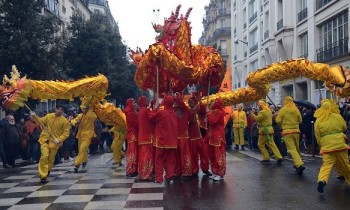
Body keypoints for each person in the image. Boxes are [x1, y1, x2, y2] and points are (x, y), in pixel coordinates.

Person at [314, 100, 350, 193]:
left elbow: (317, 135)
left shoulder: (319, 120)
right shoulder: (338, 117)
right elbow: (344, 127)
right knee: (346, 165)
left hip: (327, 147)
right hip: (340, 145)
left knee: (326, 165)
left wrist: (321, 145)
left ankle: (322, 180)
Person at [31, 105, 70, 183]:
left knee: (51, 159)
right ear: (55, 109)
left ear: (63, 111)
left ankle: (48, 170)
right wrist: (34, 116)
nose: (59, 111)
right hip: (44, 140)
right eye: (58, 109)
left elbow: (66, 133)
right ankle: (43, 175)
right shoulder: (49, 116)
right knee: (44, 156)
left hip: (55, 143)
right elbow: (40, 121)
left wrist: (59, 140)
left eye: (61, 110)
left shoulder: (65, 121)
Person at [150, 95, 178, 183]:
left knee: (159, 159)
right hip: (172, 141)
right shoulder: (174, 114)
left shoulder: (161, 113)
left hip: (161, 140)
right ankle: (169, 176)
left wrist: (155, 108)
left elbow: (151, 117)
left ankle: (159, 178)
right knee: (170, 159)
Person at [276, 96, 304, 175]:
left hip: (287, 132)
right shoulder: (296, 109)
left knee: (292, 149)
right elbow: (300, 120)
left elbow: (278, 120)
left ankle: (299, 164)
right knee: (297, 148)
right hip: (296, 131)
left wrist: (281, 125)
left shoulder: (283, 110)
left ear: (286, 101)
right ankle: (298, 163)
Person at [250, 100, 283, 165]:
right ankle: (279, 157)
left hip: (264, 130)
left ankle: (266, 157)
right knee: (271, 143)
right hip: (270, 129)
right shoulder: (269, 111)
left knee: (260, 144)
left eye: (259, 106)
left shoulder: (262, 112)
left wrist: (252, 114)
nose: (258, 107)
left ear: (261, 106)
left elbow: (257, 119)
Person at [188, 94, 212, 177]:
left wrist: (199, 102)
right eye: (190, 102)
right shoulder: (189, 111)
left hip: (202, 135)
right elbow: (189, 120)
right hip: (193, 136)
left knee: (204, 154)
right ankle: (194, 170)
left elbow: (203, 110)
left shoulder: (200, 108)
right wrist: (192, 110)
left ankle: (205, 169)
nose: (191, 103)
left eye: (192, 101)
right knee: (193, 155)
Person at [70, 105, 97, 173]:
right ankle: (84, 160)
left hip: (88, 135)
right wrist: (76, 123)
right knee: (82, 150)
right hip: (80, 135)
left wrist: (89, 110)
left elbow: (94, 117)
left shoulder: (91, 115)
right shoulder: (80, 116)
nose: (83, 110)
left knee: (82, 148)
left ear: (88, 109)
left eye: (84, 109)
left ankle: (77, 164)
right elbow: (73, 121)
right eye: (82, 109)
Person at [173, 93, 192, 180]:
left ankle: (187, 173)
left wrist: (175, 97)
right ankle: (177, 171)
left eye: (177, 100)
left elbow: (181, 104)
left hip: (184, 137)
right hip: (175, 137)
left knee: (185, 155)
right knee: (176, 156)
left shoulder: (185, 109)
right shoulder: (174, 111)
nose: (175, 103)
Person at [207, 98, 226, 181]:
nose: (212, 103)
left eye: (213, 102)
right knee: (213, 155)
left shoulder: (219, 112)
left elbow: (213, 121)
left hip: (218, 137)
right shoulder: (214, 111)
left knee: (219, 155)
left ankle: (220, 173)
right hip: (212, 136)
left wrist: (208, 113)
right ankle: (215, 172)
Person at [136, 96, 154, 180]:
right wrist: (156, 108)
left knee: (142, 156)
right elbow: (153, 117)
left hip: (142, 137)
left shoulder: (140, 111)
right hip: (147, 137)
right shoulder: (145, 111)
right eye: (146, 100)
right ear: (143, 102)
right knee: (147, 156)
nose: (147, 102)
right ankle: (146, 174)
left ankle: (142, 173)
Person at [124, 98, 138, 178]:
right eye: (134, 102)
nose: (135, 104)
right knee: (132, 152)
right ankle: (131, 170)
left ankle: (133, 169)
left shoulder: (131, 111)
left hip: (133, 134)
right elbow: (136, 123)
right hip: (132, 135)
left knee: (133, 152)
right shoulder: (129, 113)